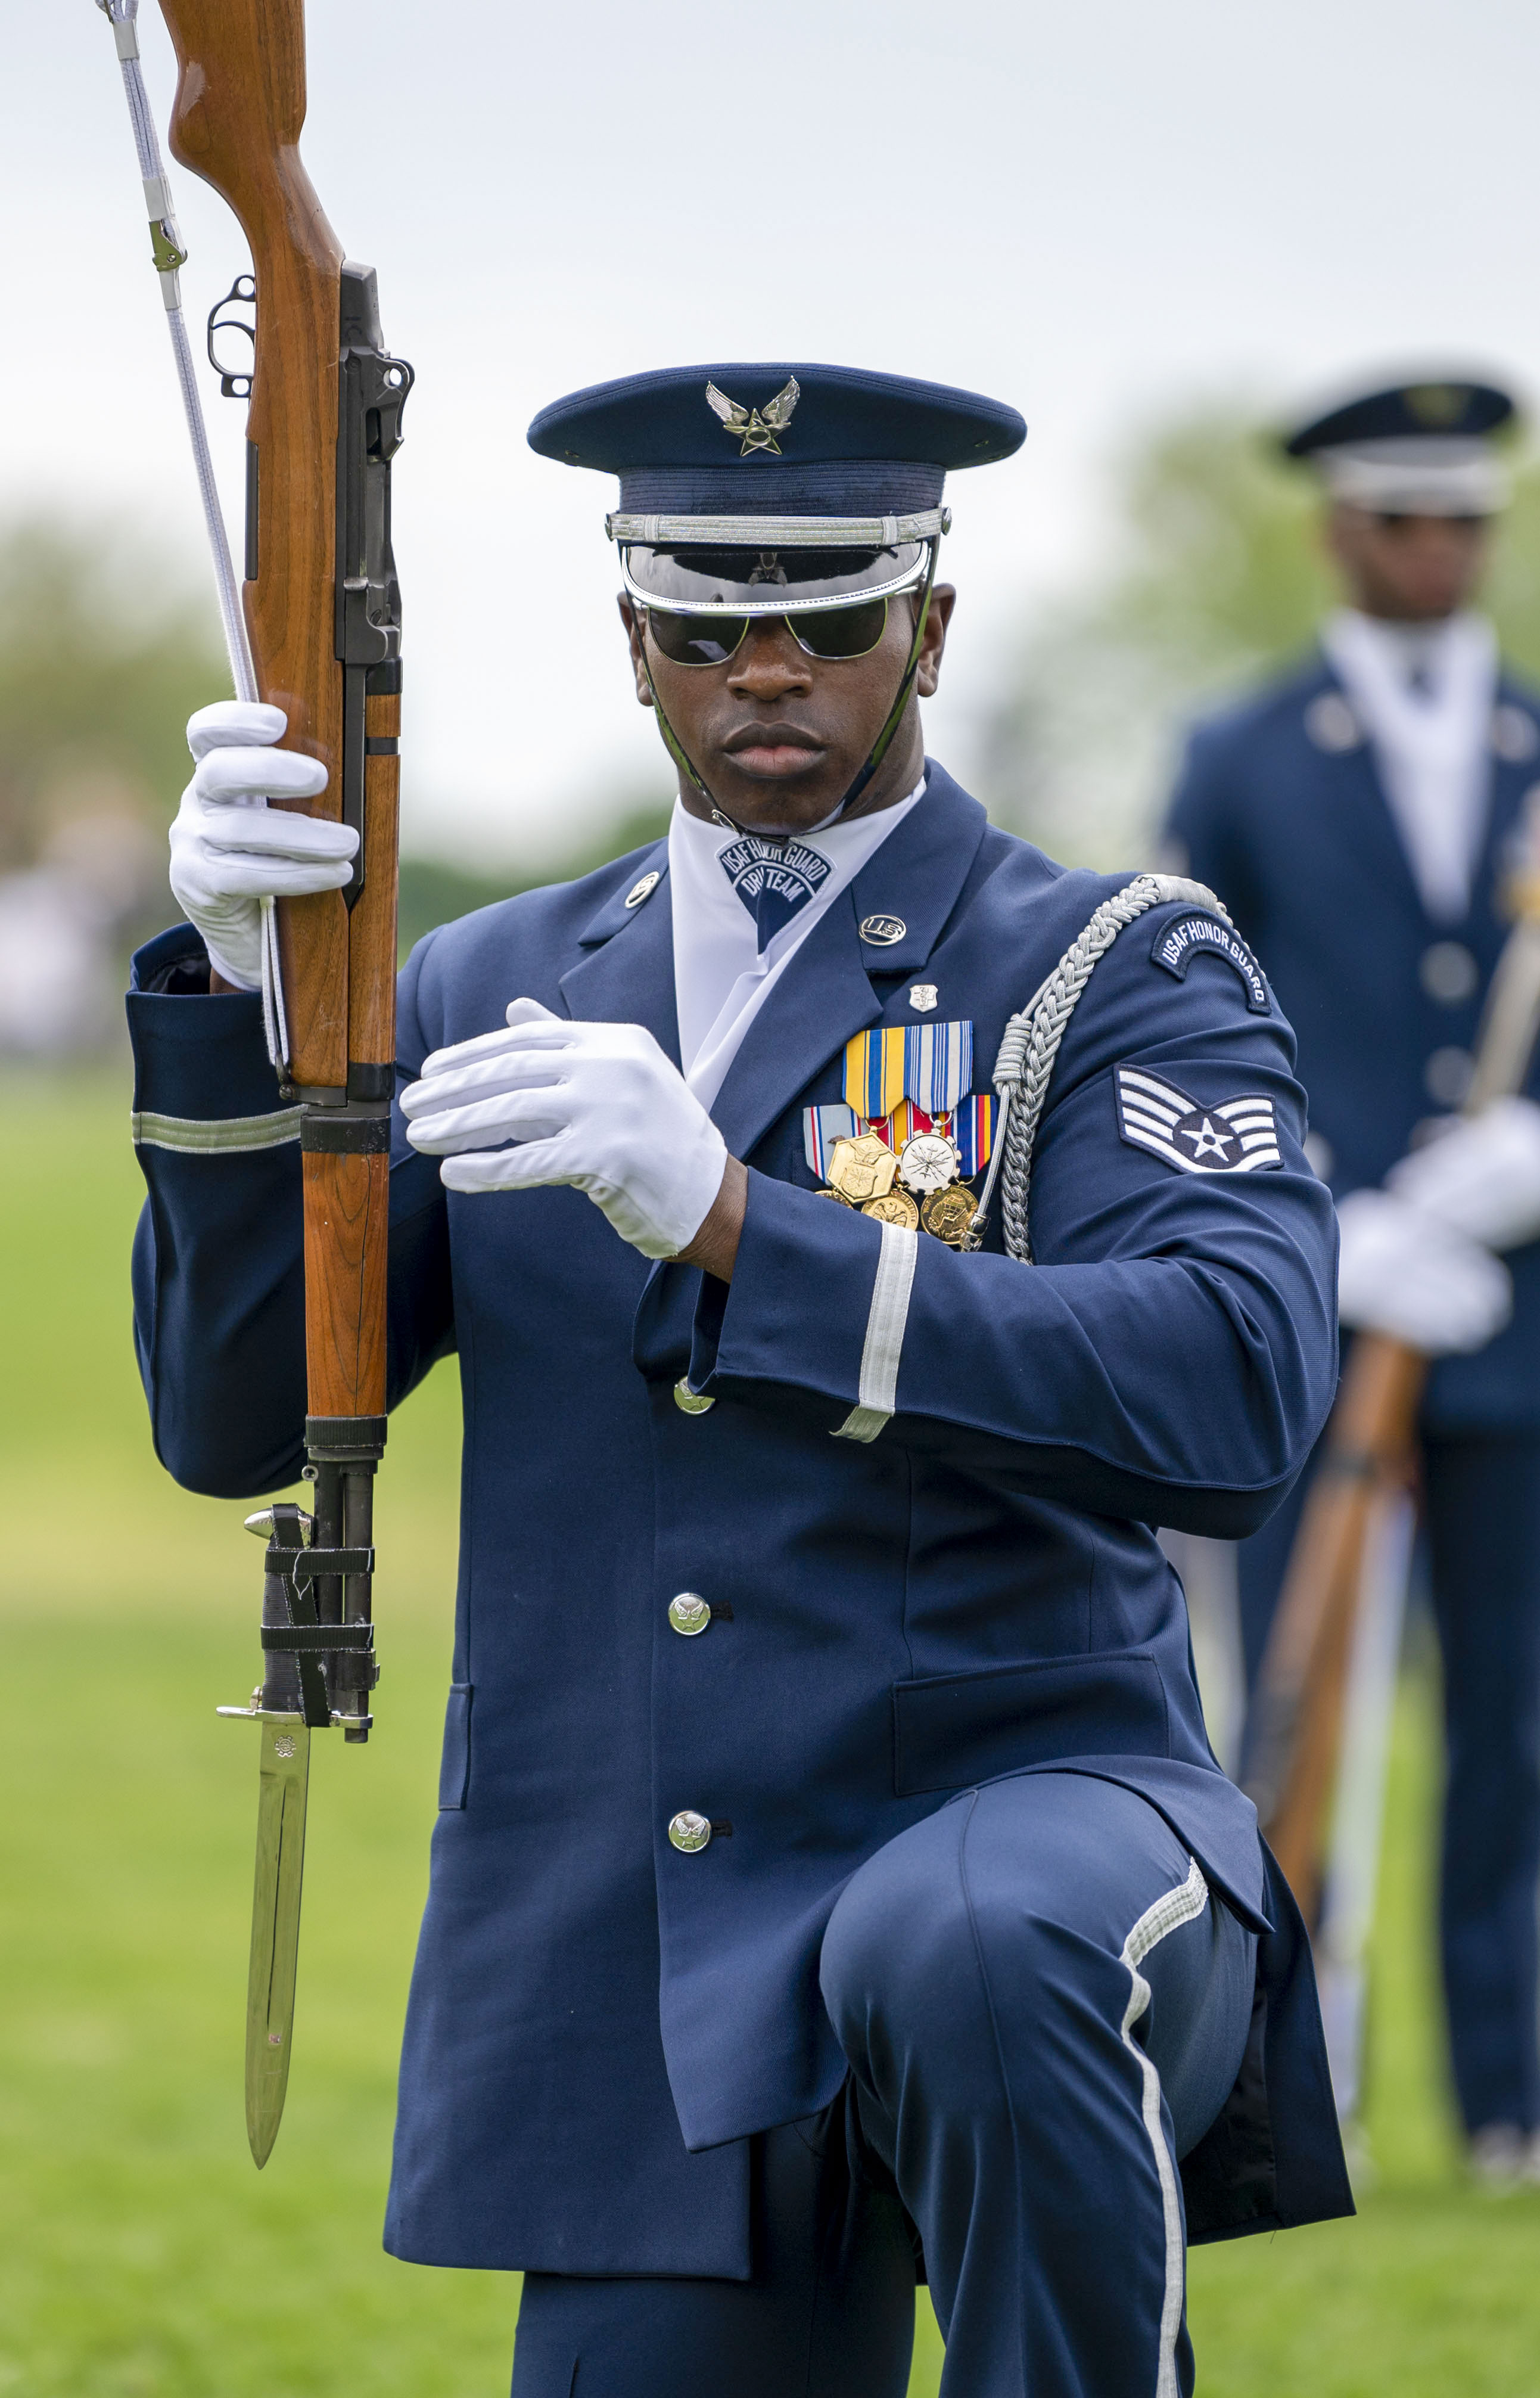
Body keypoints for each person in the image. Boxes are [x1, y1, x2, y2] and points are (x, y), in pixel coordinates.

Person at [129, 361, 1350, 2396]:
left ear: (928, 626)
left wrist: (734, 1222)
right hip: (640, 1921)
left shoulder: (1111, 961)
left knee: (970, 1946)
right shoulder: (482, 984)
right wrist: (240, 995)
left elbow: (1230, 1390)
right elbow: (236, 1419)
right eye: (703, 631)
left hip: (1023, 1821)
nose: (764, 673)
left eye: (830, 621)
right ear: (632, 642)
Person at [1163, 374, 1540, 2186]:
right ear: (1338, 529)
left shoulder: (1539, 740)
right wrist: (1317, 1206)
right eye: (1404, 517)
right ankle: (1281, 2071)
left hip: (1515, 1312)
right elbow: (1186, 1018)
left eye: (1465, 518)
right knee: (1293, 1691)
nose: (1436, 548)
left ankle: (1508, 2098)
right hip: (1311, 1307)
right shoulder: (1240, 755)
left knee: (1516, 1719)